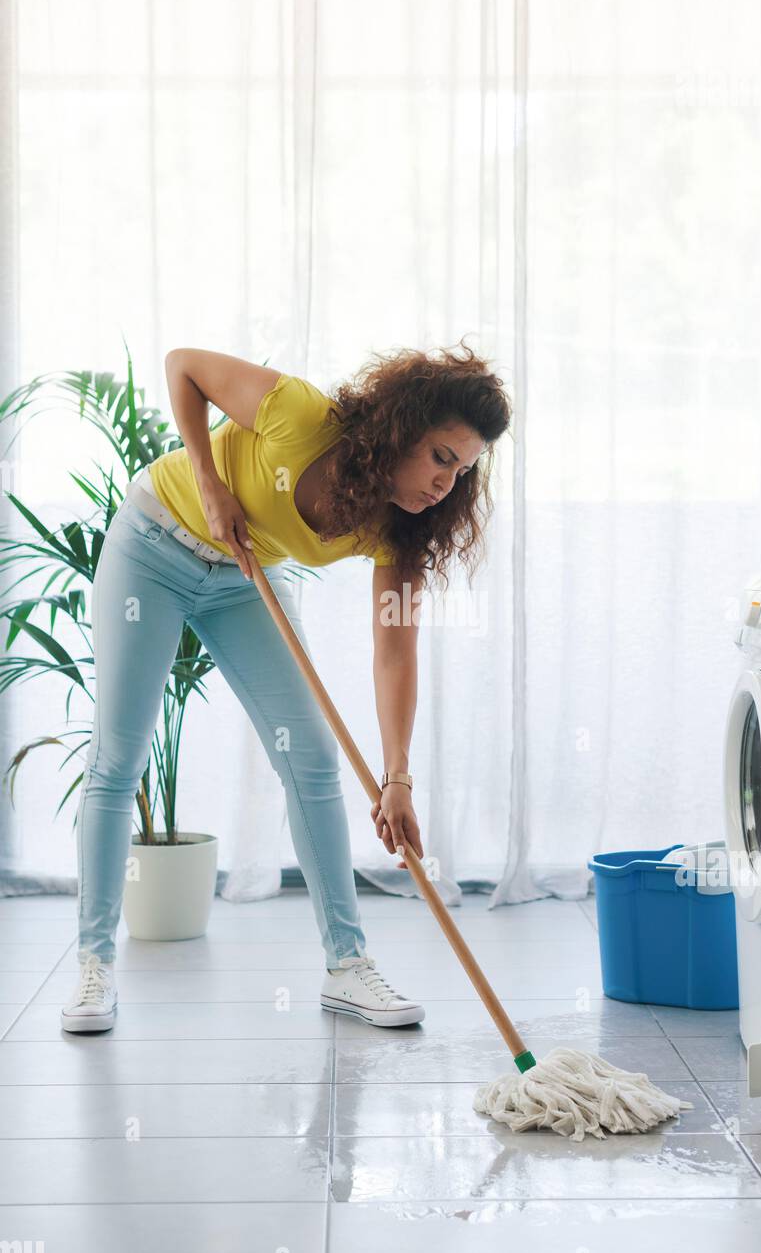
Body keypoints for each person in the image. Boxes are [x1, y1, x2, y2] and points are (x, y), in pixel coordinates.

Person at [62, 338, 512, 1034]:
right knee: (119, 756)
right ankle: (93, 966)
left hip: (243, 581)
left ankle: (347, 966)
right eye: (439, 458)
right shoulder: (299, 416)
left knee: (310, 756)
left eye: (462, 472)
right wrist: (209, 485)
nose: (443, 485)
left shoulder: (402, 528)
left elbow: (395, 650)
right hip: (151, 547)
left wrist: (397, 778)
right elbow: (183, 364)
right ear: (399, 429)